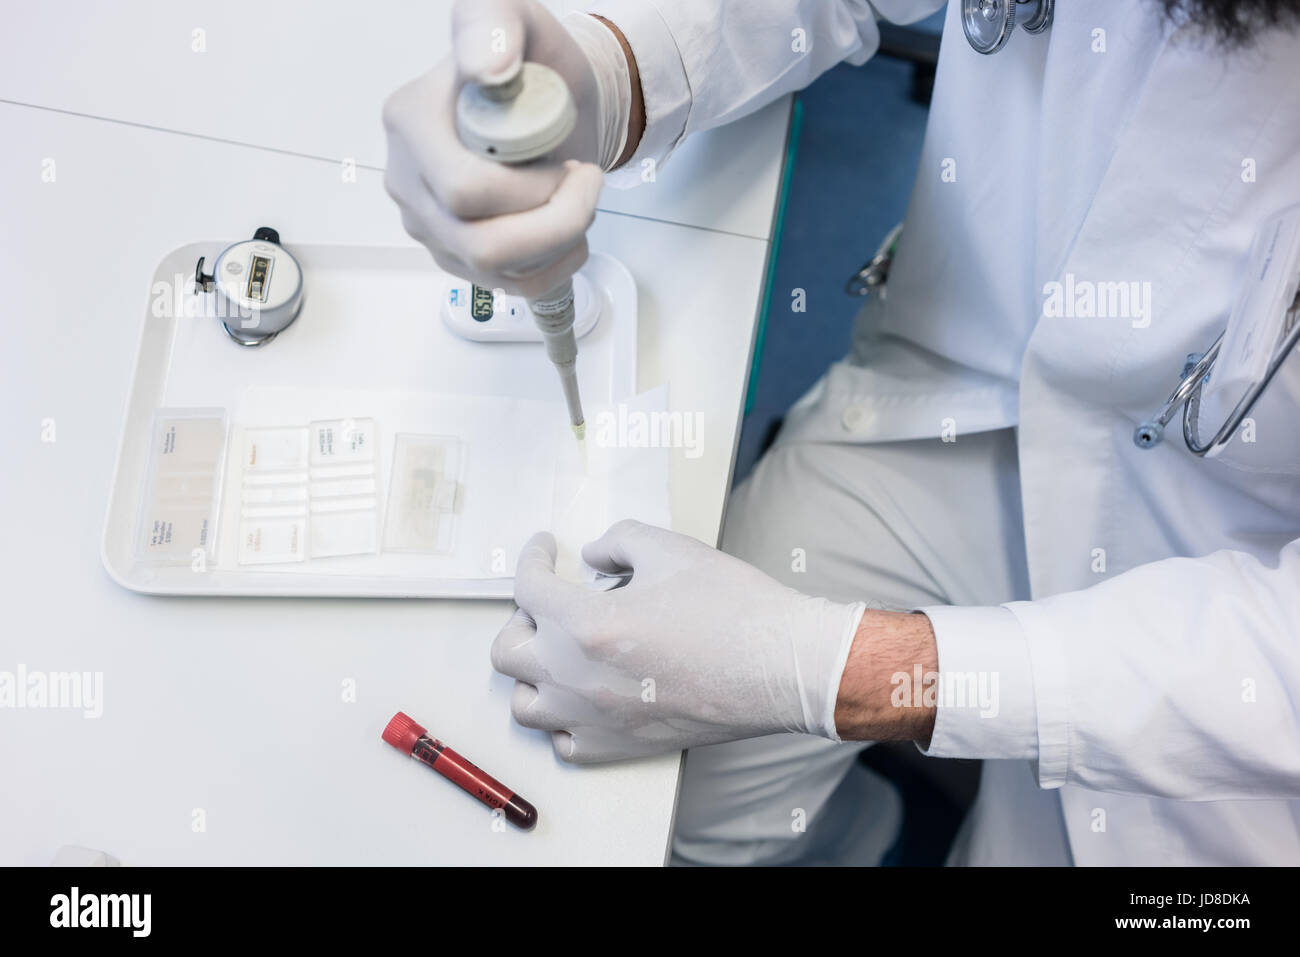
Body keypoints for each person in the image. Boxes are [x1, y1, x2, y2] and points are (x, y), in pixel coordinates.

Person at [382, 0, 1300, 865]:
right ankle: (870, 829)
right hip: (973, 406)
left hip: (1225, 610)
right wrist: (612, 68)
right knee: (679, 800)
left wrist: (835, 672)